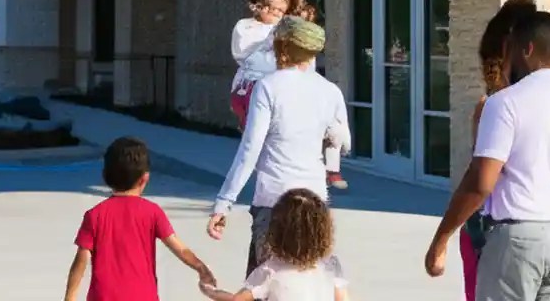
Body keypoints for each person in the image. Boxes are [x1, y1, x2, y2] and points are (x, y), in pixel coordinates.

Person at [424, 11, 550, 300]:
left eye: (508, 53)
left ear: (527, 49)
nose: (505, 65)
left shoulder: (504, 104)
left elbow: (481, 182)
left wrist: (441, 239)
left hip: (518, 241)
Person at [208, 16, 351, 277]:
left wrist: (223, 202)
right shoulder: (331, 92)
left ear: (282, 47)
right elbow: (342, 142)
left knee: (265, 282)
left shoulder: (268, 87)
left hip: (273, 199)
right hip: (314, 199)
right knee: (310, 281)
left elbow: (250, 149)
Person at [65, 137, 216, 301]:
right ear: (145, 178)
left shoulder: (94, 215)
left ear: (105, 176)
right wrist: (201, 268)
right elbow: (180, 249)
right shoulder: (152, 212)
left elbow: (81, 261)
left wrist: (70, 297)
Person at [459, 0, 538, 301]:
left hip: (498, 226)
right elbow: (483, 178)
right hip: (500, 227)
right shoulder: (497, 106)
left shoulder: (493, 104)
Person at [199, 188, 349, 301]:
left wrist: (211, 292)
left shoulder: (269, 271)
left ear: (276, 232)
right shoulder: (330, 265)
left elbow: (237, 300)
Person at [288, 0, 351, 192]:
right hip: (293, 83)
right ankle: (326, 165)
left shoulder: (306, 26)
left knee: (334, 114)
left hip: (310, 79)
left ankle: (333, 165)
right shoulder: (283, 29)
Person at [230, 0, 291, 129]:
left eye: (282, 11)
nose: (278, 14)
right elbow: (245, 55)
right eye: (274, 9)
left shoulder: (282, 28)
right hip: (252, 86)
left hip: (276, 88)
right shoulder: (246, 27)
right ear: (259, 6)